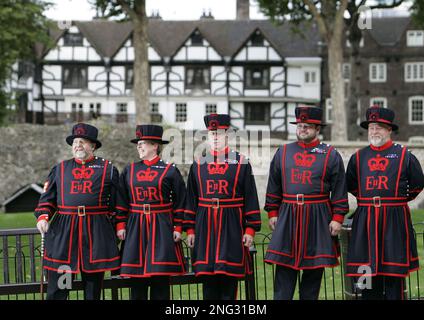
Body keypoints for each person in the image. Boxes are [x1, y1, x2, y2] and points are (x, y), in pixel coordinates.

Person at [264, 106, 349, 300]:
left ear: (317, 128)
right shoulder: (283, 152)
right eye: (300, 125)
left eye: (308, 126)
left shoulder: (330, 154)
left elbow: (339, 189)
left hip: (317, 217)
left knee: (312, 278)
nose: (303, 129)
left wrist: (337, 218)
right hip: (288, 216)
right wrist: (272, 213)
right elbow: (274, 185)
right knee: (284, 277)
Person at [346, 105, 424, 300]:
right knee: (366, 276)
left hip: (394, 219)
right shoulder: (358, 157)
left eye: (379, 127)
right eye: (372, 127)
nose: (374, 131)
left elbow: (418, 183)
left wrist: (395, 201)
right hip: (365, 220)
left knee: (393, 274)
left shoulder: (404, 154)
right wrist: (369, 201)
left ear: (389, 129)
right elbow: (351, 184)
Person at [35, 123, 120, 300]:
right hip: (65, 237)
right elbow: (47, 199)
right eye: (75, 142)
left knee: (92, 291)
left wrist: (116, 225)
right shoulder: (60, 169)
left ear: (93, 146)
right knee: (61, 287)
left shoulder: (108, 169)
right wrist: (43, 217)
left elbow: (117, 204)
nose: (77, 145)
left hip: (95, 235)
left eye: (82, 141)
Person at [184, 114, 261, 300]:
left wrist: (250, 229)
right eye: (212, 133)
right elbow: (191, 199)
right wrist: (190, 229)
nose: (215, 136)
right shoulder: (198, 163)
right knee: (208, 283)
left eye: (220, 132)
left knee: (229, 281)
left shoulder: (241, 162)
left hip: (232, 225)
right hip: (205, 226)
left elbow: (250, 197)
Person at [115, 125, 186, 300]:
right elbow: (121, 200)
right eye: (138, 144)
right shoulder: (129, 170)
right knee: (137, 281)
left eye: (143, 143)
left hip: (161, 226)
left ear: (155, 145)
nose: (139, 147)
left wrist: (178, 227)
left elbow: (181, 201)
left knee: (160, 281)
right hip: (135, 227)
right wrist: (121, 224)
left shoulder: (170, 170)